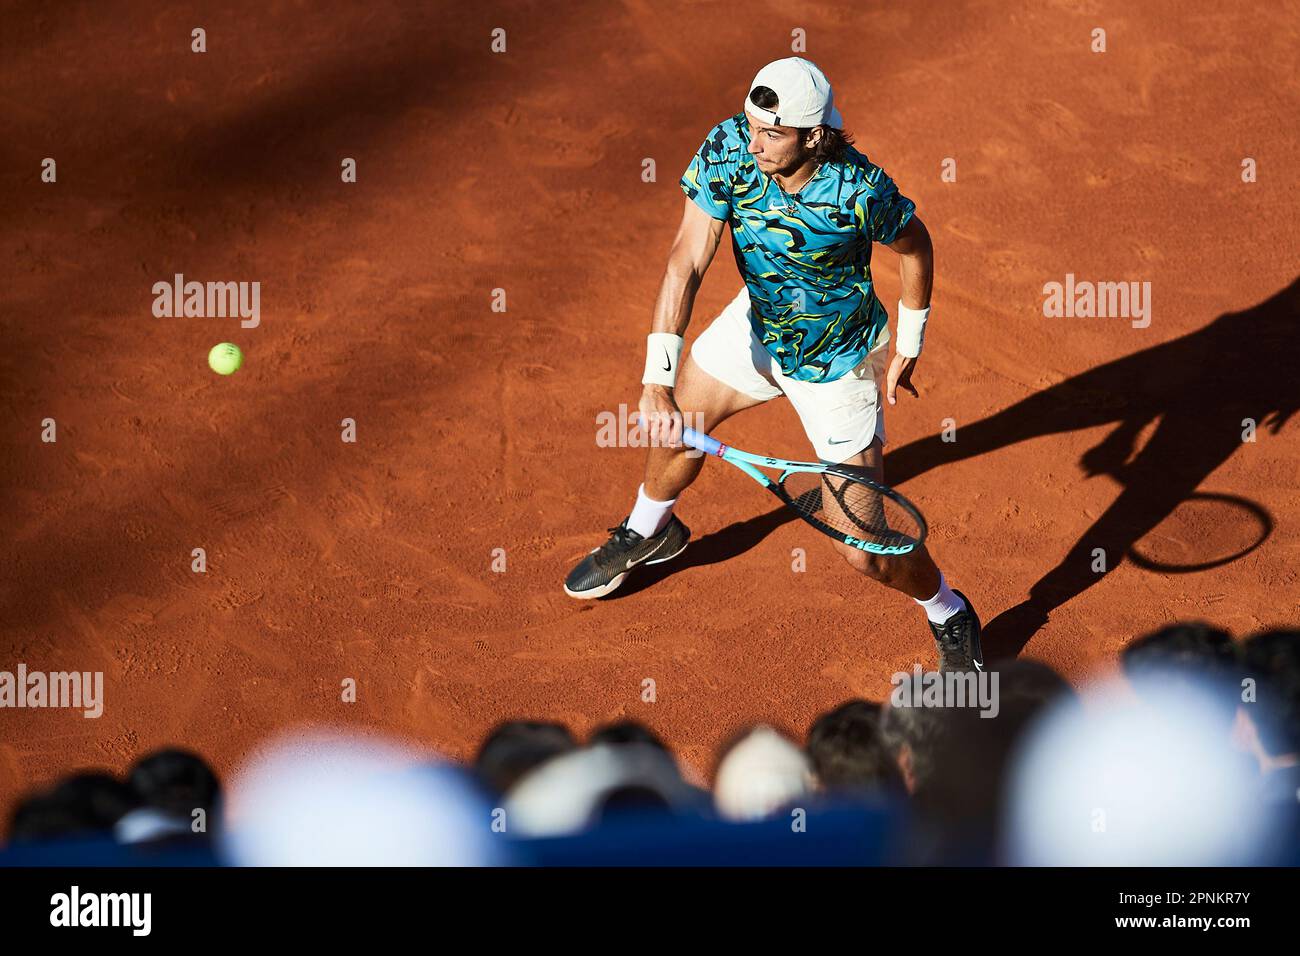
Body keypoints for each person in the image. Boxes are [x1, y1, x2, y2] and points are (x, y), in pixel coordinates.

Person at [564, 57, 981, 670]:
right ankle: (650, 530)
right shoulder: (731, 144)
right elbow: (687, 259)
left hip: (838, 363)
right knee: (679, 425)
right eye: (752, 125)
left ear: (813, 136)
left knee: (864, 550)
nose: (751, 141)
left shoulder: (860, 190)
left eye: (770, 133)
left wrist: (912, 338)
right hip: (755, 328)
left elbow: (915, 242)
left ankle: (947, 607)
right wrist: (657, 379)